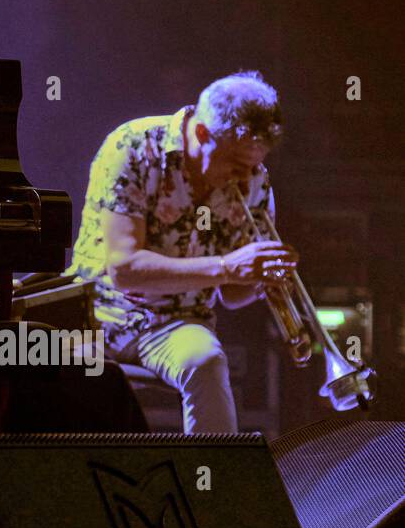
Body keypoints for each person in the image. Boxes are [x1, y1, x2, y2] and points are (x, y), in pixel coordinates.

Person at [67, 71, 296, 433]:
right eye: (237, 166)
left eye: (253, 166)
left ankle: (213, 484)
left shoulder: (255, 179)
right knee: (34, 362)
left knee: (206, 361)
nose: (245, 179)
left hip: (177, 323)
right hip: (97, 316)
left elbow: (232, 296)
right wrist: (226, 266)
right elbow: (125, 270)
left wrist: (259, 277)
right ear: (202, 134)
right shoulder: (134, 147)